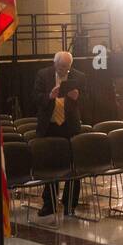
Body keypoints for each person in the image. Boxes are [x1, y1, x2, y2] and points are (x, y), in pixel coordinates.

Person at [36, 77, 82, 218]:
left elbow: (89, 98)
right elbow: (34, 97)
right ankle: (50, 204)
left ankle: (70, 205)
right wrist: (49, 96)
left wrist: (77, 97)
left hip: (70, 127)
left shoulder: (78, 76)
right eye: (62, 66)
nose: (65, 69)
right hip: (50, 127)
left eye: (67, 67)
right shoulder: (43, 75)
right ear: (56, 64)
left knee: (73, 167)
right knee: (52, 166)